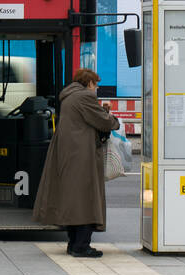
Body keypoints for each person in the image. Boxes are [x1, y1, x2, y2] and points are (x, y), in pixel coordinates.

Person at [32, 68, 120, 258]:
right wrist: (113, 120)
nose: (96, 89)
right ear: (88, 83)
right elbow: (103, 122)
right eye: (95, 85)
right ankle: (81, 246)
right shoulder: (84, 97)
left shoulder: (69, 97)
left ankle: (74, 243)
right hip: (82, 155)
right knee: (86, 200)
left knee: (74, 200)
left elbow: (87, 118)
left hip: (70, 154)